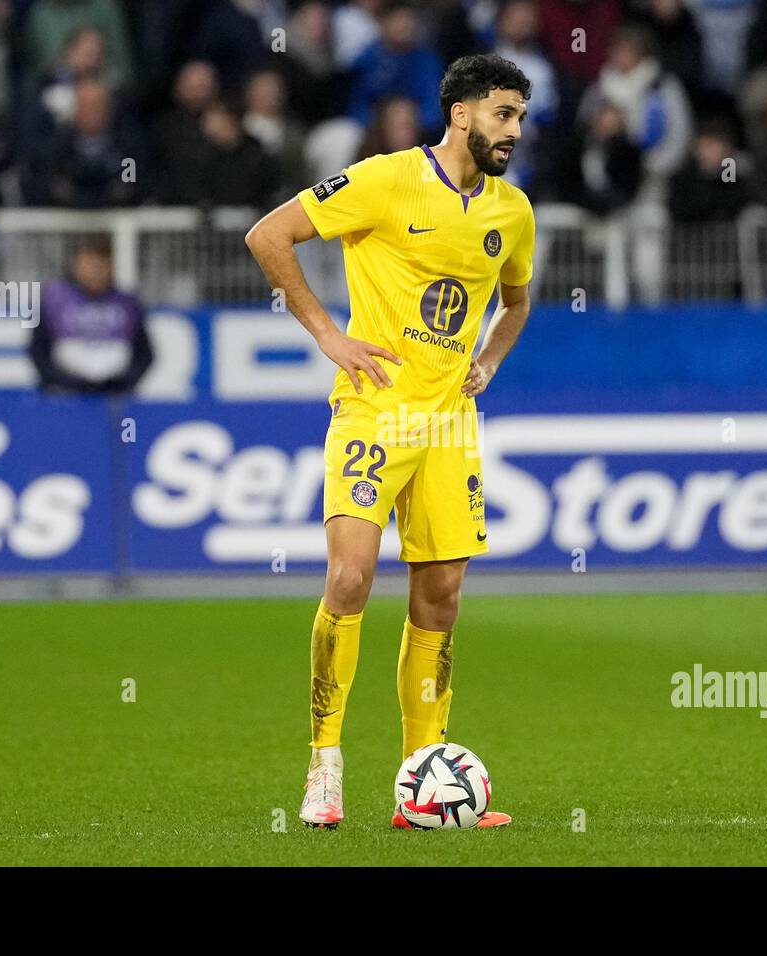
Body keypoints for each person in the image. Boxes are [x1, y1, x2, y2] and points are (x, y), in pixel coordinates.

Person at [245, 53, 536, 831]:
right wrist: (327, 334)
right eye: (504, 114)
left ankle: (424, 783)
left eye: (521, 117)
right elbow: (269, 236)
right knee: (350, 576)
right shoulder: (383, 178)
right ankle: (324, 768)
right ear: (463, 114)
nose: (514, 130)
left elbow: (516, 302)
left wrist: (491, 360)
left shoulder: (512, 213)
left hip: (447, 426)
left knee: (440, 598)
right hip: (374, 412)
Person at [29, 235, 153, 394]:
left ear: (111, 266)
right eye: (90, 264)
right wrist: (62, 381)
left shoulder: (128, 304)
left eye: (101, 265)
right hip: (65, 396)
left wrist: (121, 383)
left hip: (114, 399)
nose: (95, 272)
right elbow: (38, 351)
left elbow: (144, 354)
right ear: (76, 264)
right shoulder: (51, 299)